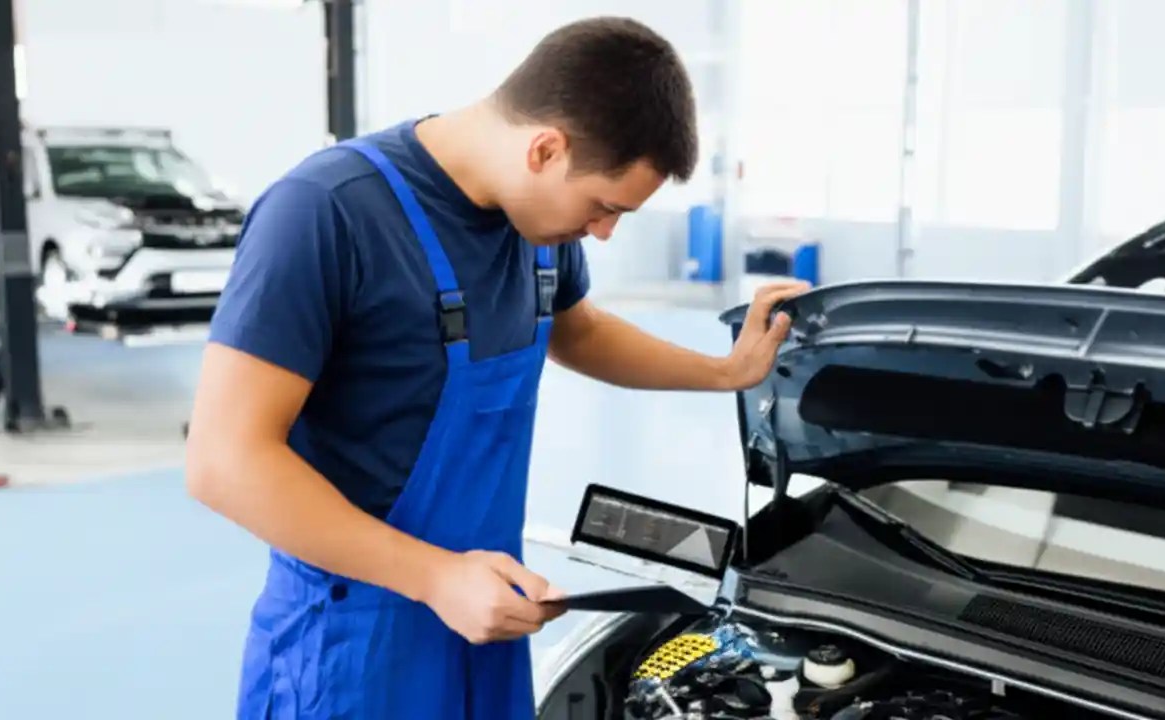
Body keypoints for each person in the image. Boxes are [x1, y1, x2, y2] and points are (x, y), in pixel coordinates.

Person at [185, 15, 808, 720]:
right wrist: (434, 578)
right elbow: (223, 461)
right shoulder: (326, 212)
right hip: (352, 641)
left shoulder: (537, 220)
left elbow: (579, 331)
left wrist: (725, 372)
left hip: (487, 613)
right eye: (604, 207)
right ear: (545, 148)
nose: (605, 232)